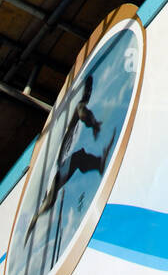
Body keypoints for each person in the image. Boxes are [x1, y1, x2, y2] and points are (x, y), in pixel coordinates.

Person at [25, 75, 112, 240]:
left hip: (62, 160)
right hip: (61, 161)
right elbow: (81, 111)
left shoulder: (78, 112)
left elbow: (82, 112)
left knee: (79, 158)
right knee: (78, 158)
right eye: (89, 92)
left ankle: (98, 163)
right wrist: (94, 124)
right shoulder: (79, 109)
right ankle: (98, 163)